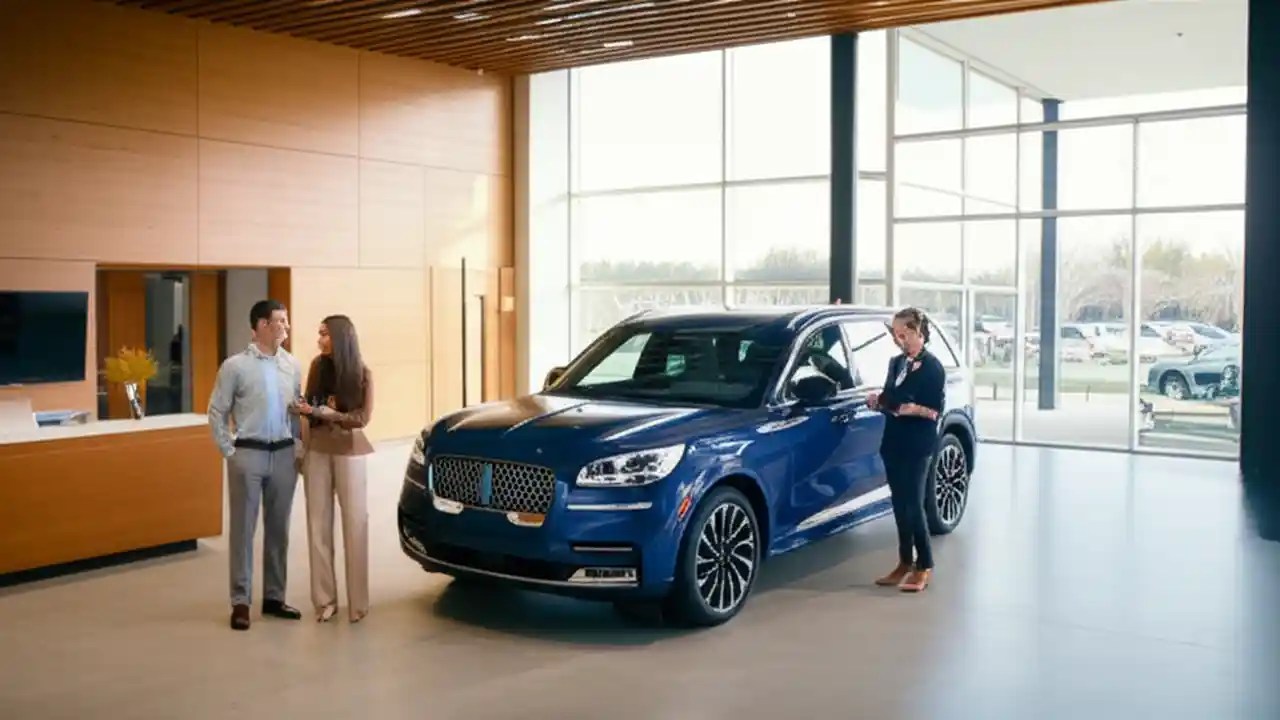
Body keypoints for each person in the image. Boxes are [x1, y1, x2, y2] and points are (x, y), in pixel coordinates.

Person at [208, 299, 305, 631]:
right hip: (247, 454)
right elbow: (217, 411)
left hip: (283, 455)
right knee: (243, 531)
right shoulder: (234, 366)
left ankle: (274, 597)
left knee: (279, 530)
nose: (286, 327)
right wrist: (228, 451)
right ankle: (240, 601)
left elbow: (297, 411)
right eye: (280, 321)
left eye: (286, 321)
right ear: (262, 325)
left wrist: (299, 448)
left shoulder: (292, 365)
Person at [297, 315, 374, 624]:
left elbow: (362, 418)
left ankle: (359, 602)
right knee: (318, 526)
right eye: (319, 333)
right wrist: (308, 415)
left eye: (325, 334)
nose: (320, 339)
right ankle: (324, 601)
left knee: (355, 523)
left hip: (349, 450)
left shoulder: (362, 373)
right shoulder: (317, 367)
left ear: (341, 337)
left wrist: (334, 415)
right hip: (316, 449)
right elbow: (309, 409)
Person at [867, 307, 946, 593]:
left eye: (904, 334)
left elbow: (934, 411)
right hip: (893, 441)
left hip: (917, 444)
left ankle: (924, 565)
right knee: (899, 505)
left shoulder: (933, 367)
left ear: (919, 332)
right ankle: (904, 562)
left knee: (914, 505)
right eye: (895, 334)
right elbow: (893, 396)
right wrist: (879, 400)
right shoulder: (895, 363)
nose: (898, 339)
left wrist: (906, 408)